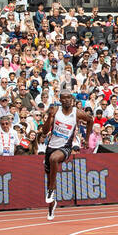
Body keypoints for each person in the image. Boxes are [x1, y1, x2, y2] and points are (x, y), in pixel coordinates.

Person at [39, 91, 93, 220]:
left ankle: (51, 191)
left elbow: (90, 120)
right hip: (51, 147)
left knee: (54, 159)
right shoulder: (55, 110)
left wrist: (86, 138)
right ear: (60, 100)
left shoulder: (77, 113)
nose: (67, 100)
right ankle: (52, 206)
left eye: (69, 98)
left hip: (66, 147)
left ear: (72, 99)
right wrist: (49, 117)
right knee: (50, 176)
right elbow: (45, 131)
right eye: (64, 98)